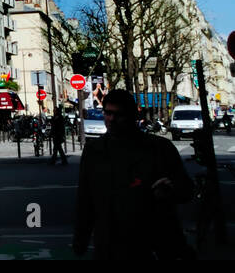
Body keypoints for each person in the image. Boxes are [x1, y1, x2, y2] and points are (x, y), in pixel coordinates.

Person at [73, 89, 194, 260]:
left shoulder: (159, 148)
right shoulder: (94, 151)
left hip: (153, 241)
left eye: (119, 114)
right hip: (110, 243)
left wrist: (171, 189)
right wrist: (81, 240)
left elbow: (187, 189)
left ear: (132, 115)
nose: (112, 119)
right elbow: (85, 198)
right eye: (108, 113)